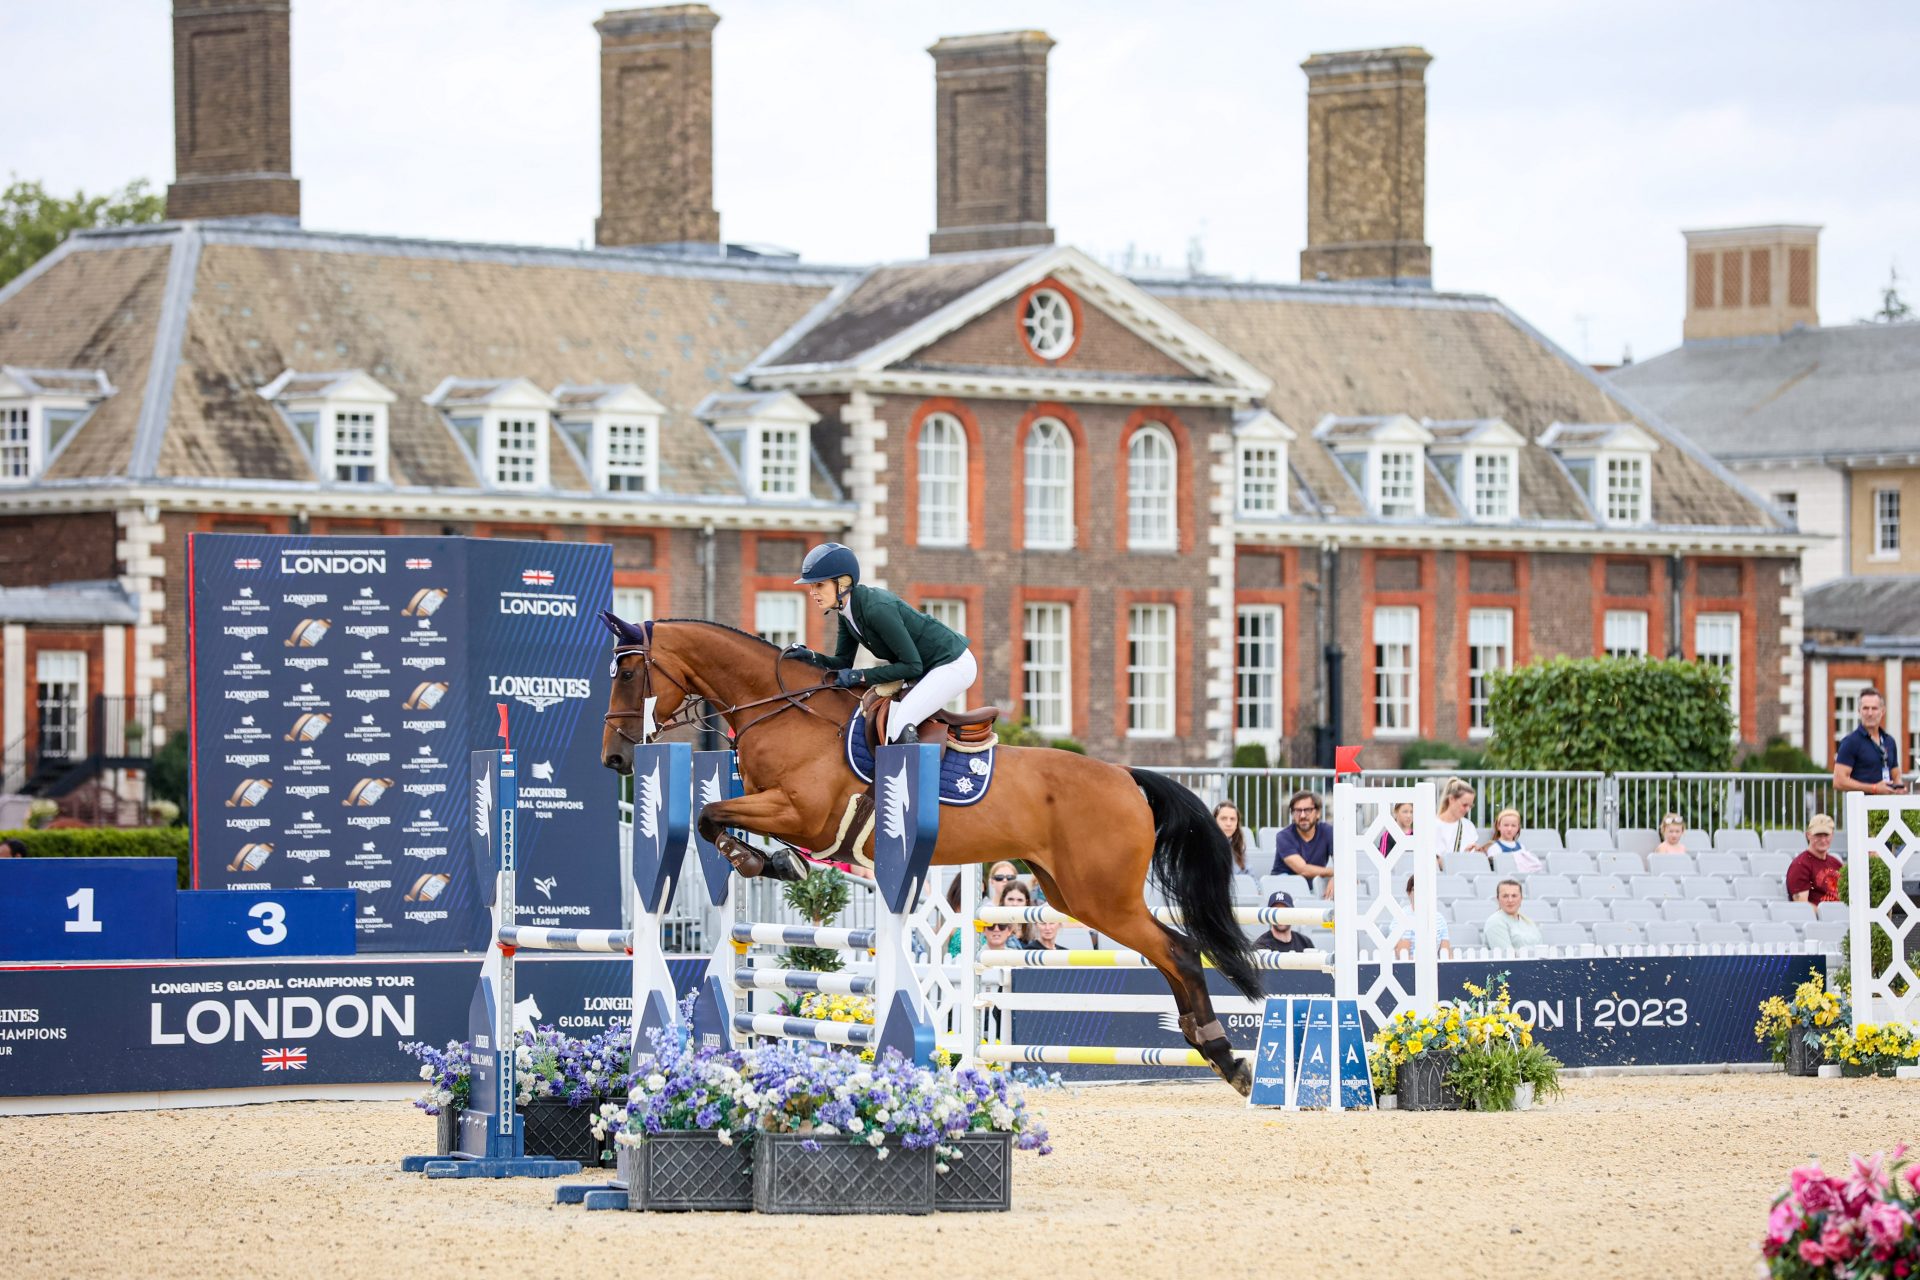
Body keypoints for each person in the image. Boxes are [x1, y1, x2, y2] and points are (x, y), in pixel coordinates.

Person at [784, 541, 977, 745]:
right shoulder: (846, 613)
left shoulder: (876, 609)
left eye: (819, 585)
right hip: (926, 668)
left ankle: (920, 778)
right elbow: (842, 663)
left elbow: (912, 666)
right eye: (812, 586)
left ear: (843, 583)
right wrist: (810, 657)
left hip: (952, 664)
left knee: (901, 721)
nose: (813, 592)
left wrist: (860, 676)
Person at [1833, 687, 1905, 795]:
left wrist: (1899, 787)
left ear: (1882, 711)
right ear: (1859, 711)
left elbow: (1896, 775)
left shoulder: (1889, 741)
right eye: (1865, 708)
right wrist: (1874, 788)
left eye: (1874, 708)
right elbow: (1838, 782)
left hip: (1886, 808)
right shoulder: (1850, 742)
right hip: (1860, 808)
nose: (1870, 713)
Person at [1272, 789, 1333, 897]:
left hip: (1313, 889)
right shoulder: (1283, 836)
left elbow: (1343, 862)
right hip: (1284, 891)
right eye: (1297, 811)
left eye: (1308, 810)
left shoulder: (1327, 831)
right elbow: (1302, 869)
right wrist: (1335, 873)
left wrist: (1337, 878)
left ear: (1318, 813)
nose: (1302, 815)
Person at [1786, 814, 1843, 906]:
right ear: (1808, 835)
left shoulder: (1836, 863)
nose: (1823, 839)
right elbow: (1802, 906)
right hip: (1817, 919)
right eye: (1818, 835)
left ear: (1832, 835)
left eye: (1826, 834)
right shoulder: (1800, 865)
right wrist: (1828, 914)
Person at [1394, 875, 1455, 958]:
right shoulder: (1402, 917)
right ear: (1409, 893)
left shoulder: (1439, 919)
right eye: (1416, 890)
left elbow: (1446, 954)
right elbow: (1403, 956)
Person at [1433, 777, 1487, 865]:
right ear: (1451, 799)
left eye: (1470, 806)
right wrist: (1462, 857)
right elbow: (1435, 861)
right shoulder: (1433, 825)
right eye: (1464, 805)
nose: (1467, 810)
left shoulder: (1468, 825)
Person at [1482, 879, 1545, 950]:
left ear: (1521, 898)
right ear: (1498, 899)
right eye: (1505, 896)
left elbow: (1541, 950)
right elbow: (1507, 955)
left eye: (1514, 896)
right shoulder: (1495, 922)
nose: (1510, 900)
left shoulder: (1529, 922)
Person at [1486, 809, 1543, 873]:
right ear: (1498, 826)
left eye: (1513, 826)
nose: (1509, 829)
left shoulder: (1521, 847)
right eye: (1506, 825)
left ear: (1518, 828)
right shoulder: (1494, 848)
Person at [1214, 801, 1249, 873]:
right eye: (1223, 818)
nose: (1228, 824)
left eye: (1232, 819)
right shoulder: (1203, 848)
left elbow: (1251, 880)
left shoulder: (1239, 850)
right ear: (1214, 821)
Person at [998, 882, 1037, 948]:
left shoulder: (1035, 927)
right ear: (1003, 900)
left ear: (1026, 902)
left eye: (1020, 900)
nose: (1015, 904)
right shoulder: (994, 926)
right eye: (1010, 899)